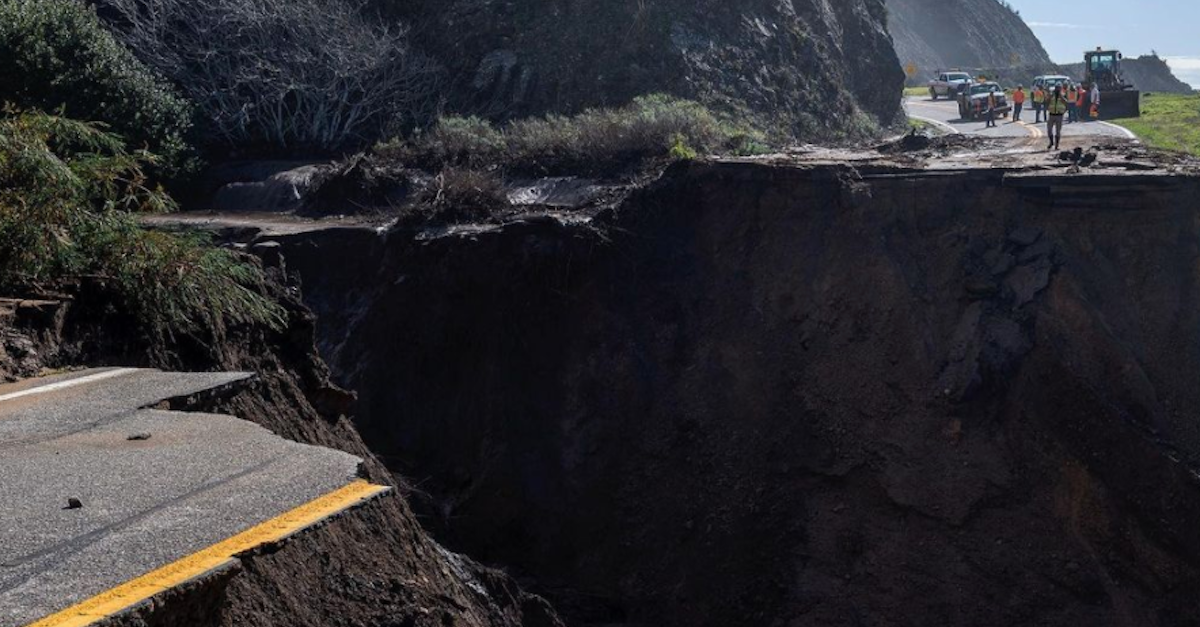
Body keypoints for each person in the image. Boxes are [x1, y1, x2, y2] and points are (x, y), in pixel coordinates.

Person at [1046, 86, 1069, 150]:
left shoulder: (1063, 95)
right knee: (1049, 129)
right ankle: (1051, 142)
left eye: (1058, 89)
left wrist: (1061, 96)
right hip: (1051, 114)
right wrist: (1051, 96)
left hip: (1059, 115)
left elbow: (1066, 103)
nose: (1057, 90)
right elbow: (1047, 101)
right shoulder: (1051, 95)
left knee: (1058, 131)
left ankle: (1057, 145)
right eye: (1056, 89)